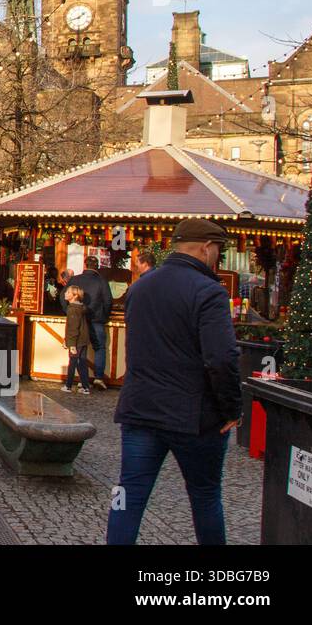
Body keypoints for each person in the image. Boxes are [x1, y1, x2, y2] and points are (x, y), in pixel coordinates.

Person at [106, 219, 241, 546]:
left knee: (129, 494)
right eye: (218, 250)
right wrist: (231, 410)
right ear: (206, 248)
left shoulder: (140, 287)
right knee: (205, 497)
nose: (217, 257)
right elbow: (221, 358)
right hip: (194, 417)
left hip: (140, 409)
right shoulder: (209, 292)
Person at [68, 258, 114, 390]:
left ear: (85, 265)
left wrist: (70, 312)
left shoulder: (75, 280)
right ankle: (98, 378)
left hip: (78, 319)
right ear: (97, 266)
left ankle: (83, 379)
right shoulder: (101, 281)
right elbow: (108, 301)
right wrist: (104, 316)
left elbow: (62, 296)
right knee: (99, 347)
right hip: (96, 320)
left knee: (80, 348)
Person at [61, 285, 92, 394]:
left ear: (74, 296)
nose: (65, 294)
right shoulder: (81, 308)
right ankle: (85, 387)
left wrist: (72, 344)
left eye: (68, 293)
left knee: (73, 362)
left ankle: (68, 385)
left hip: (76, 341)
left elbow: (73, 328)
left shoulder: (72, 309)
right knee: (82, 363)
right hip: (83, 339)